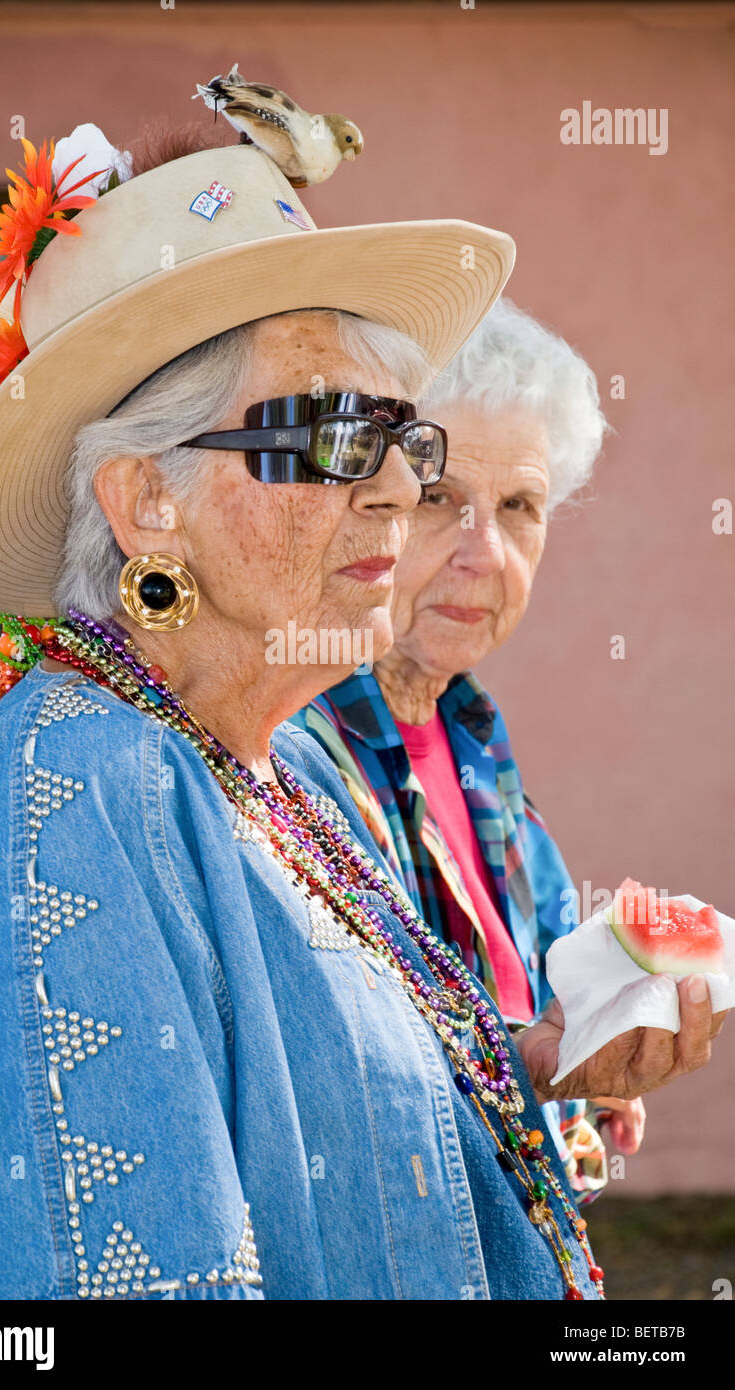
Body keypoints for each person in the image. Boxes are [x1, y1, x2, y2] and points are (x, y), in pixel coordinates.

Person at [0, 125, 723, 1302]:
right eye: (330, 436)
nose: (397, 486)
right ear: (147, 501)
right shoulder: (66, 784)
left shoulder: (270, 769)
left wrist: (528, 1063)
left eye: (397, 433)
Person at [290, 299, 645, 1202]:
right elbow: (350, 1087)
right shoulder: (289, 750)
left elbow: (549, 991)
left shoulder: (474, 737)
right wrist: (537, 1070)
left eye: (520, 506)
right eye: (441, 498)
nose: (483, 553)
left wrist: (596, 1067)